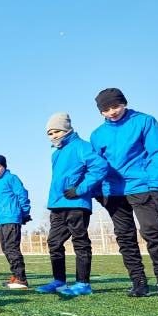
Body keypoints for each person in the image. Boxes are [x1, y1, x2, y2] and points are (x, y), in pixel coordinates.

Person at [90, 88, 158, 304]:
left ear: (123, 103)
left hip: (143, 187)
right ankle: (139, 282)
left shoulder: (145, 122)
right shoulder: (97, 135)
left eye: (115, 106)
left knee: (153, 232)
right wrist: (97, 192)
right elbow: (96, 166)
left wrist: (157, 186)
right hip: (113, 193)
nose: (111, 112)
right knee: (125, 237)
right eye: (105, 109)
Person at [37, 112, 108, 296]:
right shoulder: (56, 154)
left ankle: (83, 284)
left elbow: (100, 167)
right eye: (50, 133)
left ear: (67, 129)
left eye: (57, 131)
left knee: (80, 242)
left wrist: (80, 189)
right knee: (54, 243)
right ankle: (59, 281)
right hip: (57, 204)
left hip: (76, 203)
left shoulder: (81, 146)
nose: (53, 136)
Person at [0, 154, 31, 289]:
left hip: (12, 218)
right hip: (2, 220)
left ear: (4, 166)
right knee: (6, 248)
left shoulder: (11, 178)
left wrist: (25, 212)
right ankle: (15, 275)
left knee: (12, 248)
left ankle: (21, 279)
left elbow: (22, 194)